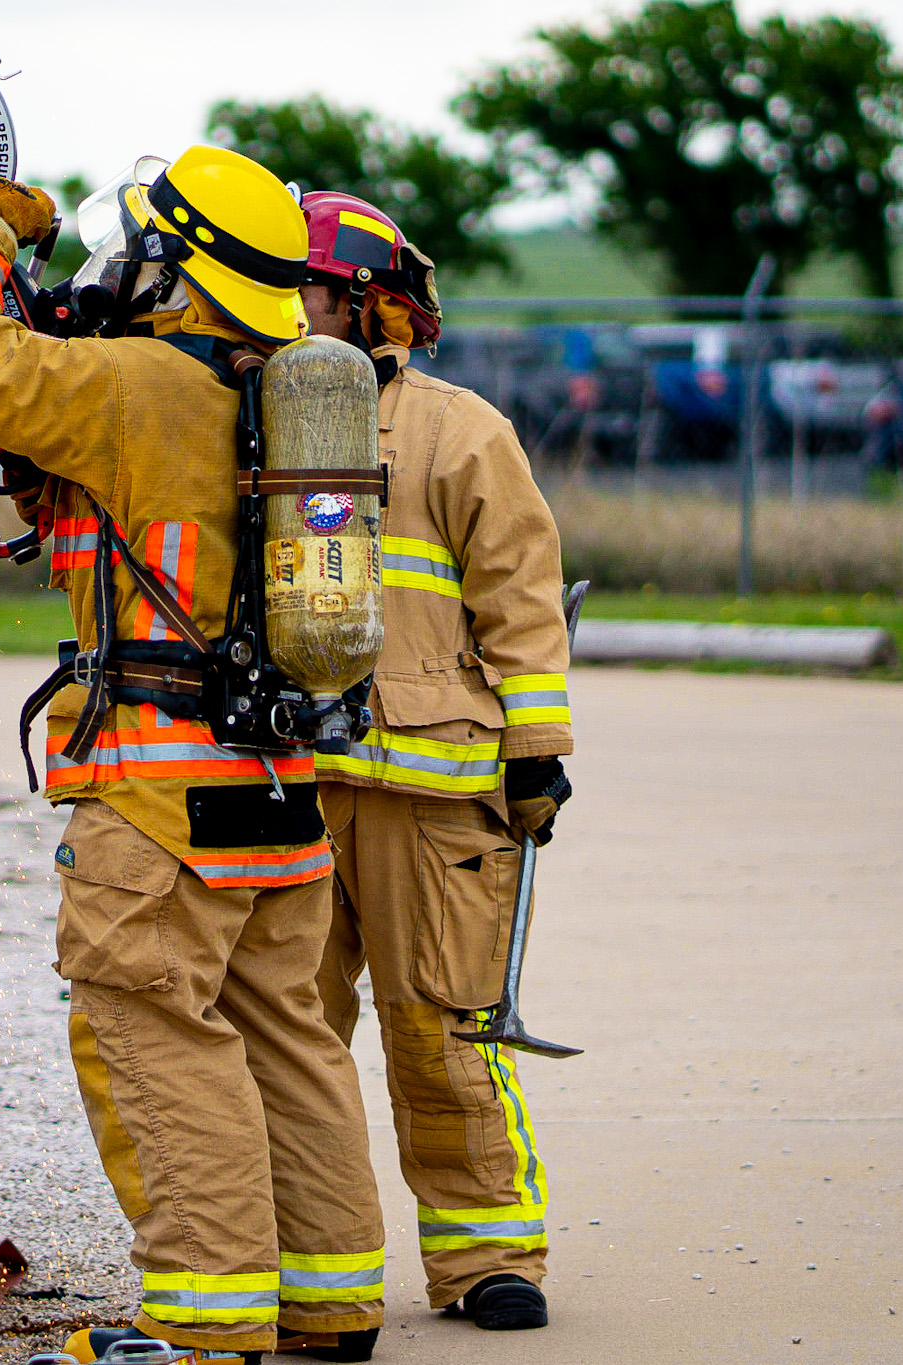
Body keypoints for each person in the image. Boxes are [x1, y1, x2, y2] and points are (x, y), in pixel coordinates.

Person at [0, 152, 387, 1363]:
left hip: (158, 797)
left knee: (154, 1035)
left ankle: (204, 1322)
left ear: (174, 261)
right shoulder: (287, 388)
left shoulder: (129, 385)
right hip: (278, 788)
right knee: (287, 1035)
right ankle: (331, 1308)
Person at [298, 190, 575, 1332]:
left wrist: (536, 749)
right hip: (286, 783)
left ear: (375, 309)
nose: (290, 309)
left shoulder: (462, 431)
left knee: (445, 1025)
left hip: (436, 787)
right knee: (286, 1037)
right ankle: (303, 1270)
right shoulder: (236, 416)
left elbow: (521, 596)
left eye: (309, 287)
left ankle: (484, 1258)